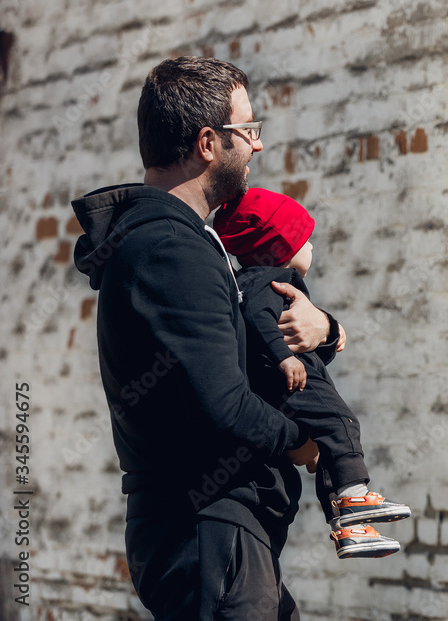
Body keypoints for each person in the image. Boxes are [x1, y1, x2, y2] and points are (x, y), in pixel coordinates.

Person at [72, 56, 336, 620]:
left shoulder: (188, 240)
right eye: (250, 131)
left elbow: (244, 354)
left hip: (219, 532)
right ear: (209, 142)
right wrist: (304, 443)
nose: (258, 147)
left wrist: (324, 328)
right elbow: (223, 402)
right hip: (205, 528)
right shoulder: (171, 248)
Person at [212, 188, 411, 558]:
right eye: (304, 239)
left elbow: (294, 333)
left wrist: (328, 331)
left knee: (327, 451)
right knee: (342, 424)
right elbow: (260, 321)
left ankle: (349, 529)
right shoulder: (267, 282)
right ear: (280, 248)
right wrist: (284, 359)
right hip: (296, 383)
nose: (312, 246)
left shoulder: (260, 281)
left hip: (294, 382)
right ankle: (354, 499)